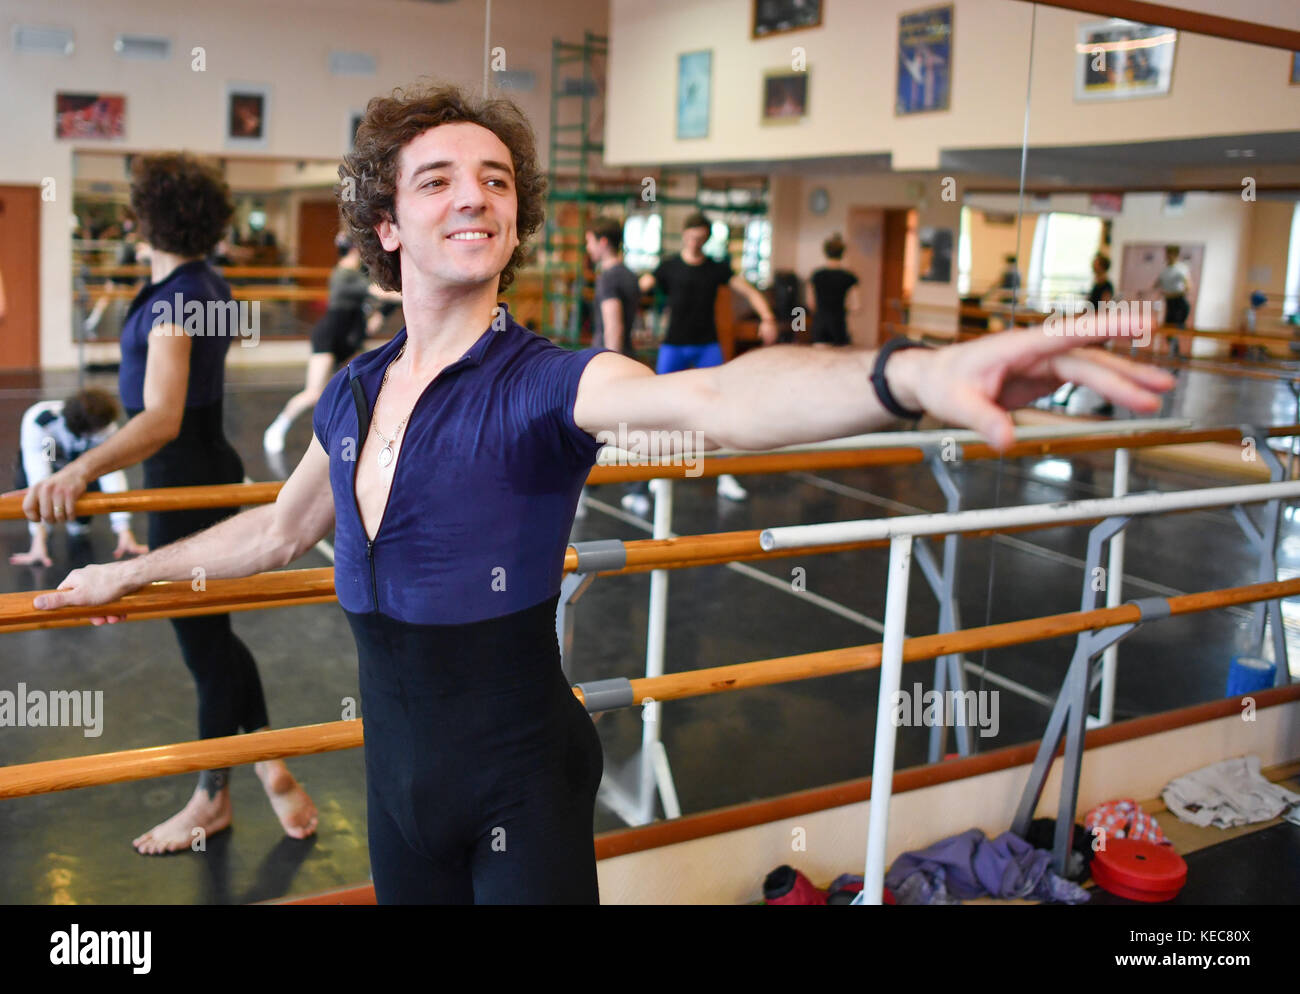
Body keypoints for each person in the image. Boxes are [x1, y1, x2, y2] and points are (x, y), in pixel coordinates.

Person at [32, 81, 1172, 904]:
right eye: (436, 179)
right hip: (393, 786)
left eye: (494, 179)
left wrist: (910, 372)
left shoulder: (546, 383)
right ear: (386, 226)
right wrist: (126, 570)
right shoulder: (359, 390)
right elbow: (282, 529)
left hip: (519, 782)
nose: (474, 194)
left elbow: (718, 401)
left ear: (515, 216)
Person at [10, 151, 317, 855]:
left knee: (205, 650)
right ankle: (266, 762)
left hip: (186, 481)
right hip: (203, 472)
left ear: (145, 219)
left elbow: (162, 414)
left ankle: (212, 800)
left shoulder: (176, 299)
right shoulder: (207, 284)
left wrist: (79, 469)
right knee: (215, 641)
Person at [634, 211, 778, 507]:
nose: (695, 241)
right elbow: (638, 288)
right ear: (685, 235)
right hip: (674, 345)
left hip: (706, 345)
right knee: (658, 409)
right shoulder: (669, 266)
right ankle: (651, 476)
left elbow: (750, 291)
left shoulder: (716, 269)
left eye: (701, 237)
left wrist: (767, 318)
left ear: (706, 238)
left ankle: (724, 474)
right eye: (691, 236)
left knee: (720, 405)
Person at [263, 235, 401, 454]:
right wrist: (410, 294)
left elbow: (381, 298)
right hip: (329, 336)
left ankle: (347, 439)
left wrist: (378, 316)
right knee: (314, 392)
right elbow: (380, 292)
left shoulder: (358, 274)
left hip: (351, 339)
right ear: (355, 251)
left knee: (358, 389)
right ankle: (278, 426)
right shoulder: (343, 275)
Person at [10, 389, 148, 567]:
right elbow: (40, 476)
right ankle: (42, 535)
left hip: (80, 466)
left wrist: (123, 529)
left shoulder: (105, 427)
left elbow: (110, 472)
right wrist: (39, 538)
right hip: (52, 459)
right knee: (37, 491)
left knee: (80, 526)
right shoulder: (43, 424)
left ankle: (75, 522)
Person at [809, 233, 860, 347]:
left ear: (825, 253)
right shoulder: (849, 277)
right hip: (838, 323)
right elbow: (856, 306)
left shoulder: (816, 275)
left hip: (820, 323)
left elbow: (811, 303)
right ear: (843, 253)